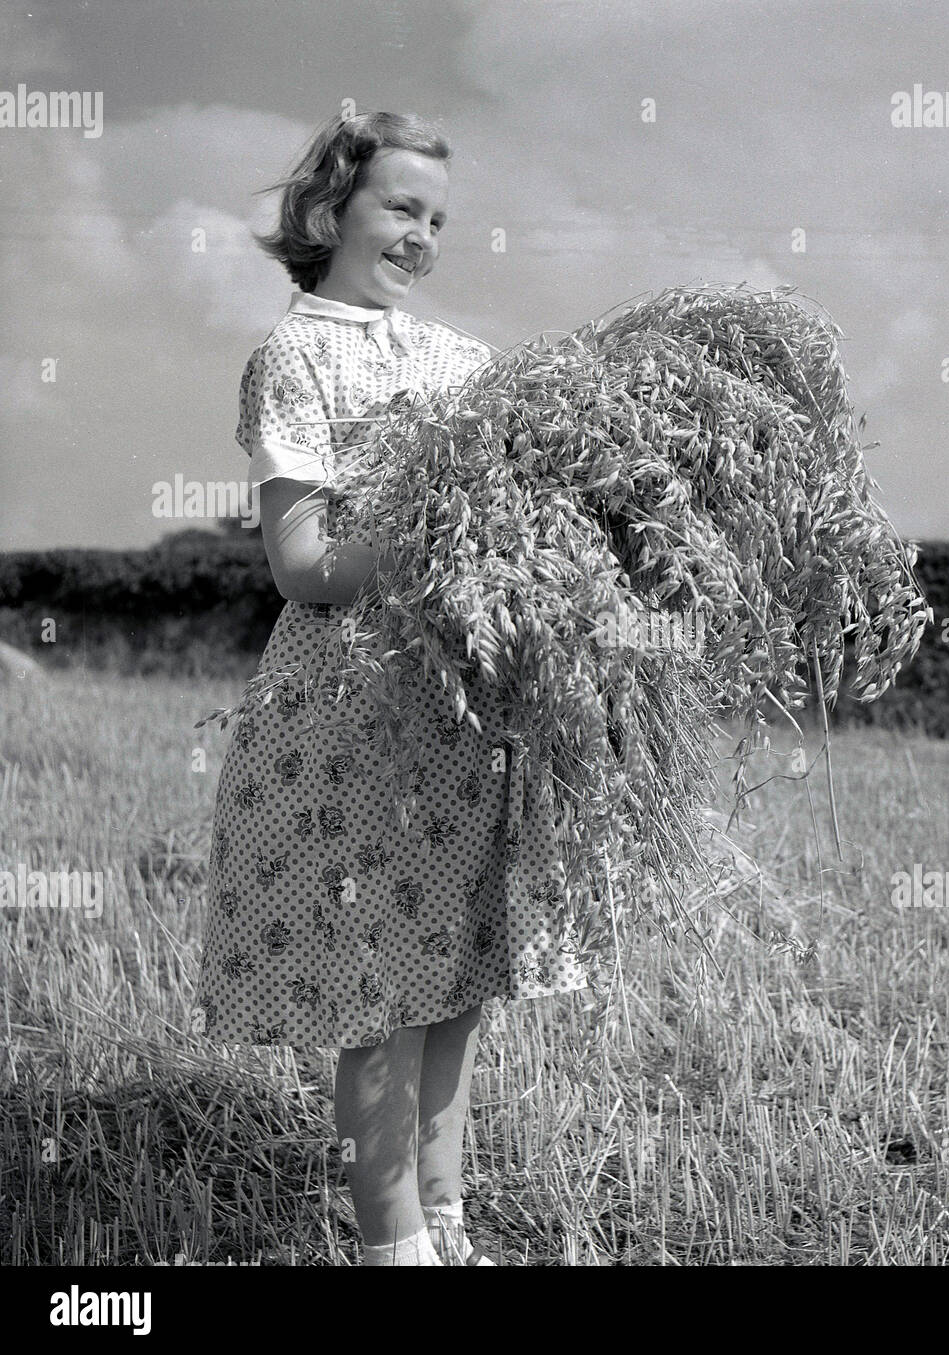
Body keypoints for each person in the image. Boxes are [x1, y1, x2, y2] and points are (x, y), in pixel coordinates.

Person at [191, 110, 588, 1266]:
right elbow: (306, 566)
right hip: (352, 708)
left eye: (437, 219)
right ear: (329, 213)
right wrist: (448, 543)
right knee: (376, 982)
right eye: (401, 208)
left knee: (456, 970)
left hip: (464, 704)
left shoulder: (465, 362)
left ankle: (446, 1208)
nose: (422, 235)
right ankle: (391, 1239)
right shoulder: (295, 357)